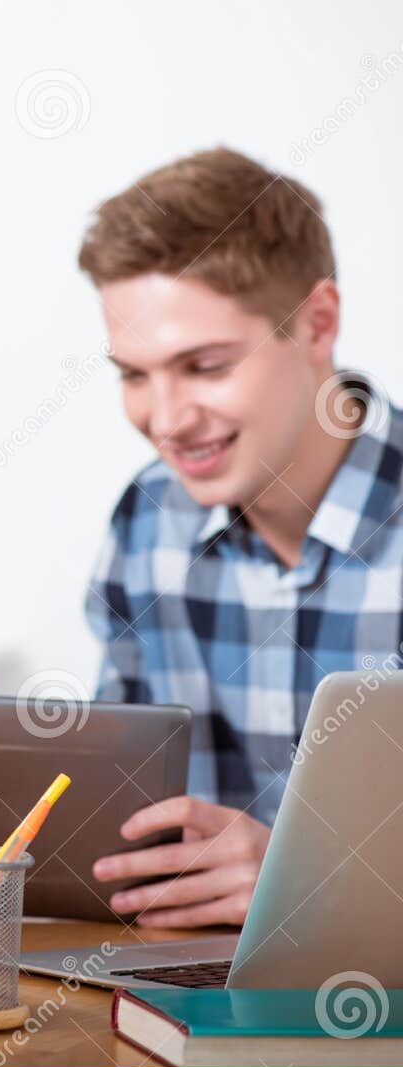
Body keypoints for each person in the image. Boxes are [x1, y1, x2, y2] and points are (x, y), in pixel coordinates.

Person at [80, 147, 399, 927]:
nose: (166, 419)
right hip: (191, 980)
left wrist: (313, 882)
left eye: (206, 365)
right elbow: (119, 813)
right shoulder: (149, 520)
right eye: (134, 375)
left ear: (317, 322)